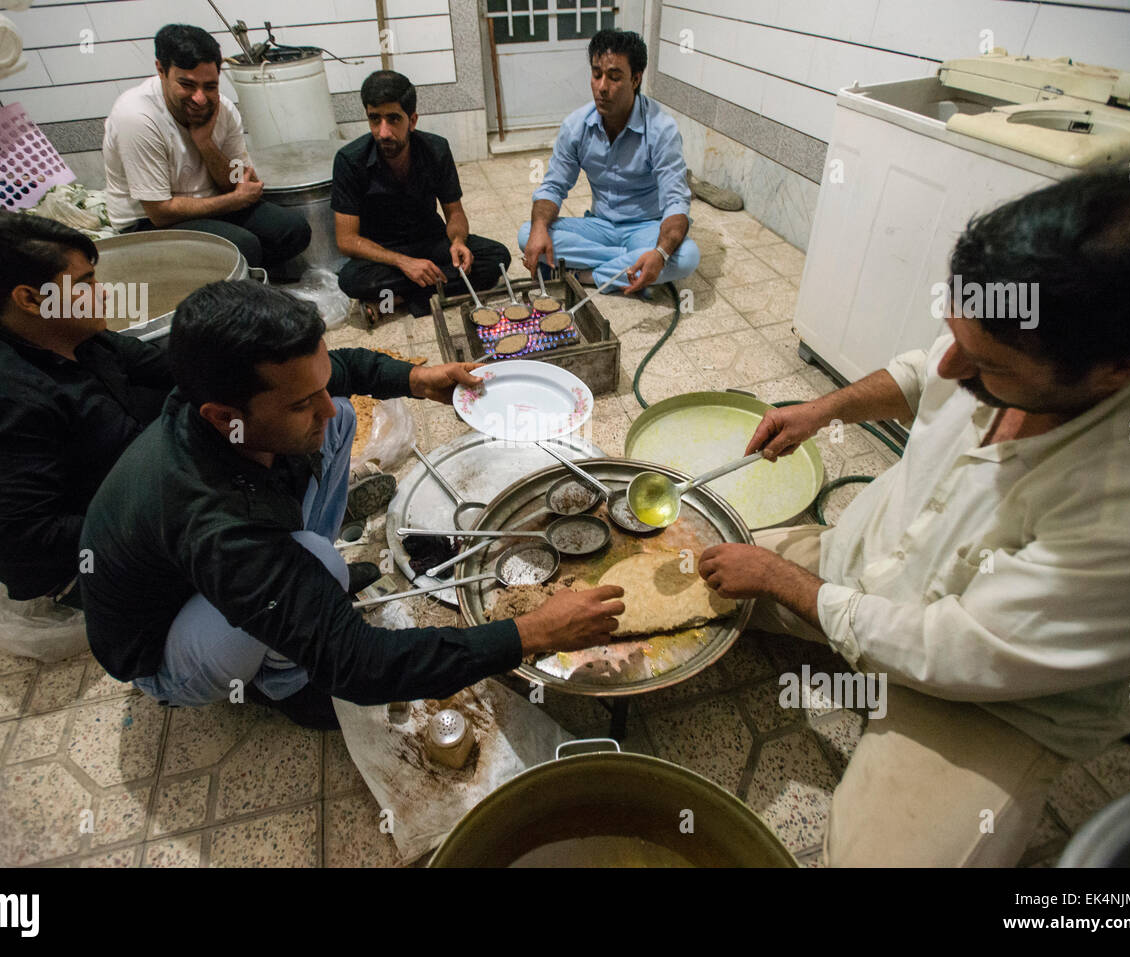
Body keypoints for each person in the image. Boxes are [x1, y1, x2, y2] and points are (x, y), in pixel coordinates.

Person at [696, 171, 1130, 866]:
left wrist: (781, 578)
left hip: (993, 696)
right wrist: (824, 409)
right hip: (863, 561)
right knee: (699, 574)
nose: (953, 365)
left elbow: (957, 647)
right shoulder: (1020, 324)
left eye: (987, 367)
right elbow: (923, 370)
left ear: (1117, 371)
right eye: (956, 333)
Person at [78, 280, 625, 728]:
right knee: (318, 562)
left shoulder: (222, 393)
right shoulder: (218, 523)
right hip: (164, 647)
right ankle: (286, 683)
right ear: (225, 417)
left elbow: (338, 369)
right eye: (299, 403)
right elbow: (359, 665)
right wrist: (532, 633)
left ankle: (304, 597)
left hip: (210, 567)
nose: (324, 408)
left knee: (336, 424)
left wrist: (414, 378)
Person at [0, 212, 172, 608]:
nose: (103, 293)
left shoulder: (73, 335)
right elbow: (29, 537)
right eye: (86, 284)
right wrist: (174, 512)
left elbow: (167, 368)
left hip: (120, 490)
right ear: (31, 299)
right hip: (86, 564)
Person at [102, 24, 310, 272]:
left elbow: (235, 180)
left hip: (210, 204)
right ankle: (226, 282)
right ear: (161, 70)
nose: (200, 98)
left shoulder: (223, 110)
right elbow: (160, 211)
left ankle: (238, 275)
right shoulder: (137, 117)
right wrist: (233, 201)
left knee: (293, 230)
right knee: (243, 247)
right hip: (147, 224)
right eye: (187, 85)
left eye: (210, 86)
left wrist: (205, 143)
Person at [520, 29, 699, 296]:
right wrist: (539, 228)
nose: (602, 87)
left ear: (636, 79)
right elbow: (553, 187)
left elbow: (676, 202)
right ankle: (627, 265)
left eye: (614, 77)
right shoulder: (576, 126)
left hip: (647, 227)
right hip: (600, 226)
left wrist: (660, 251)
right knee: (527, 233)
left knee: (686, 256)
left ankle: (585, 276)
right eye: (596, 74)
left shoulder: (662, 129)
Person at [332, 70, 511, 320]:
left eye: (393, 119)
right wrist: (404, 262)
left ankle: (399, 297)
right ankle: (435, 293)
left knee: (497, 257)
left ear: (412, 120)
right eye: (375, 119)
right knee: (350, 280)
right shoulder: (349, 161)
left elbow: (455, 212)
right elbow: (347, 240)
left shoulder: (436, 150)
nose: (383, 132)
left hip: (430, 241)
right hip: (384, 253)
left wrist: (458, 241)